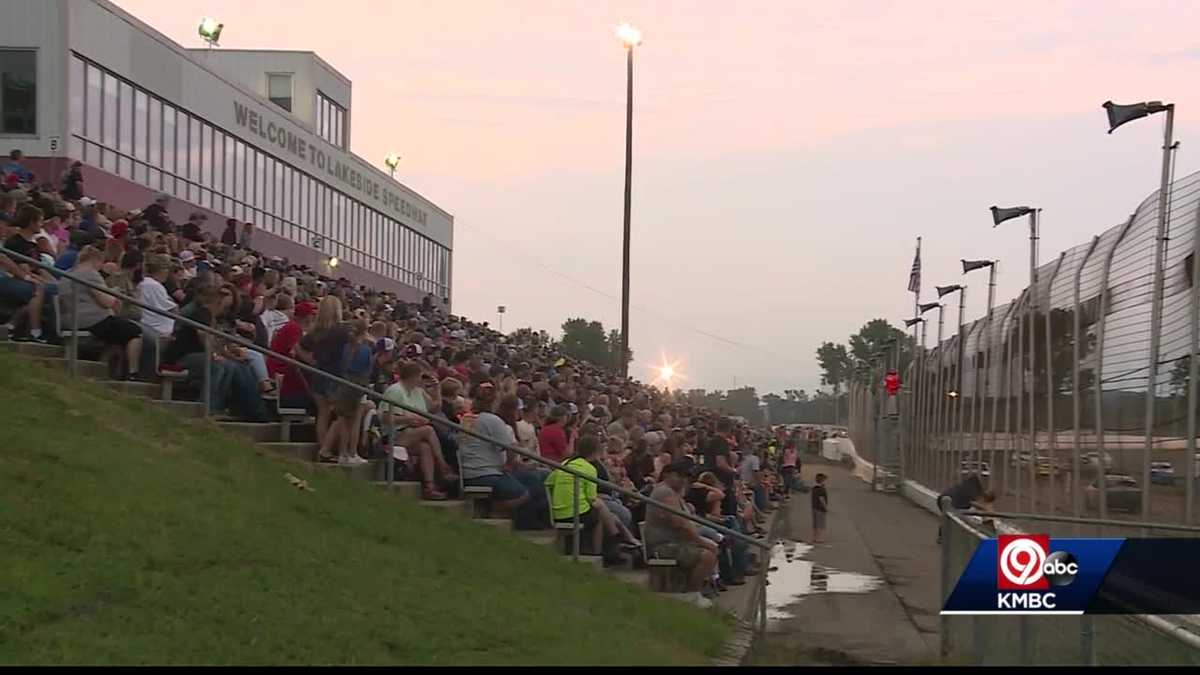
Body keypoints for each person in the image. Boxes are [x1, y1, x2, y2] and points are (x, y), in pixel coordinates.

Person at [459, 386, 546, 524]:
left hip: (468, 469)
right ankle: (493, 510)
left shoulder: (467, 418)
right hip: (486, 473)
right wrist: (509, 464)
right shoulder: (493, 420)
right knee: (525, 492)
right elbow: (509, 448)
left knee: (531, 479)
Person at [60, 245, 144, 380]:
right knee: (134, 331)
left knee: (118, 333)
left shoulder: (67, 274)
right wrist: (115, 293)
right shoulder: (91, 275)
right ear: (96, 260)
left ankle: (108, 366)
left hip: (68, 319)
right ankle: (133, 371)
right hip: (90, 320)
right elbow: (107, 302)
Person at [643, 461, 719, 609]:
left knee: (712, 548)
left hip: (674, 542)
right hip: (662, 546)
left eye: (685, 477)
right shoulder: (664, 493)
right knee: (708, 555)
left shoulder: (673, 493)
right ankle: (691, 595)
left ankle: (697, 591)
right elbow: (682, 524)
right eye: (679, 476)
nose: (683, 480)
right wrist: (702, 542)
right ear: (666, 474)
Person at [380, 361, 458, 499]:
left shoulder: (418, 392)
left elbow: (434, 409)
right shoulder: (395, 391)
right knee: (428, 430)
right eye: (420, 376)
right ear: (413, 376)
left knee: (425, 447)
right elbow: (385, 417)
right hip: (396, 434)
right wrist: (408, 419)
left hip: (413, 432)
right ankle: (443, 466)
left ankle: (429, 487)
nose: (421, 380)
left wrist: (438, 389)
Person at [936, 474, 986, 544]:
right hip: (951, 502)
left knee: (947, 519)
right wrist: (983, 508)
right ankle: (945, 537)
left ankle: (942, 537)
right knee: (951, 519)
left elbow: (969, 502)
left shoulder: (962, 486)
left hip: (942, 499)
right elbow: (971, 502)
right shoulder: (969, 489)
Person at [811, 472, 829, 544]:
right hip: (820, 508)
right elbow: (821, 499)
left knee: (815, 524)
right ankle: (819, 538)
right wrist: (825, 507)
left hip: (814, 507)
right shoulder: (821, 489)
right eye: (825, 480)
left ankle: (814, 537)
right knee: (820, 524)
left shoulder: (814, 488)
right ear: (822, 481)